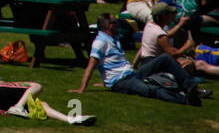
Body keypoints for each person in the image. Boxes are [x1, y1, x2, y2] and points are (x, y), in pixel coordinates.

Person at [71, 14, 204, 105]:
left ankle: (191, 87)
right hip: (122, 82)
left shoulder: (113, 39)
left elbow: (109, 65)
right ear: (108, 26)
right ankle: (185, 100)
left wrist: (106, 82)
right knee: (150, 90)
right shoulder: (100, 42)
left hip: (131, 74)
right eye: (115, 22)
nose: (117, 25)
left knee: (165, 58)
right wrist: (82, 89)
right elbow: (90, 66)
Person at [0, 50, 95, 124]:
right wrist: (22, 83)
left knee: (41, 104)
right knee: (36, 86)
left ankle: (69, 119)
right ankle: (18, 107)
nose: (0, 66)